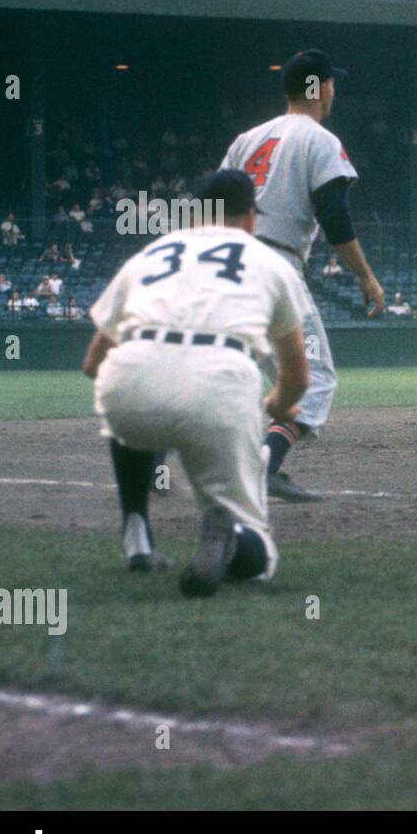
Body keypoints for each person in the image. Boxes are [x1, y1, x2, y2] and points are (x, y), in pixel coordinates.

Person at [81, 170, 310, 597]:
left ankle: (136, 533)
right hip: (219, 382)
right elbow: (297, 375)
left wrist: (154, 394)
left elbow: (95, 363)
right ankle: (232, 537)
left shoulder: (152, 254)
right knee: (258, 553)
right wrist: (280, 404)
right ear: (249, 218)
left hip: (128, 378)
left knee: (133, 407)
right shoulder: (269, 262)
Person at [221, 49, 384, 502]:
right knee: (314, 376)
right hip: (275, 266)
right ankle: (265, 467)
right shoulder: (318, 139)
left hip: (230, 260)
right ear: (319, 87)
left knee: (230, 366)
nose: (335, 89)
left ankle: (160, 439)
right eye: (332, 82)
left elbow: (214, 205)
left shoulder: (247, 139)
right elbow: (334, 215)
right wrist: (365, 277)